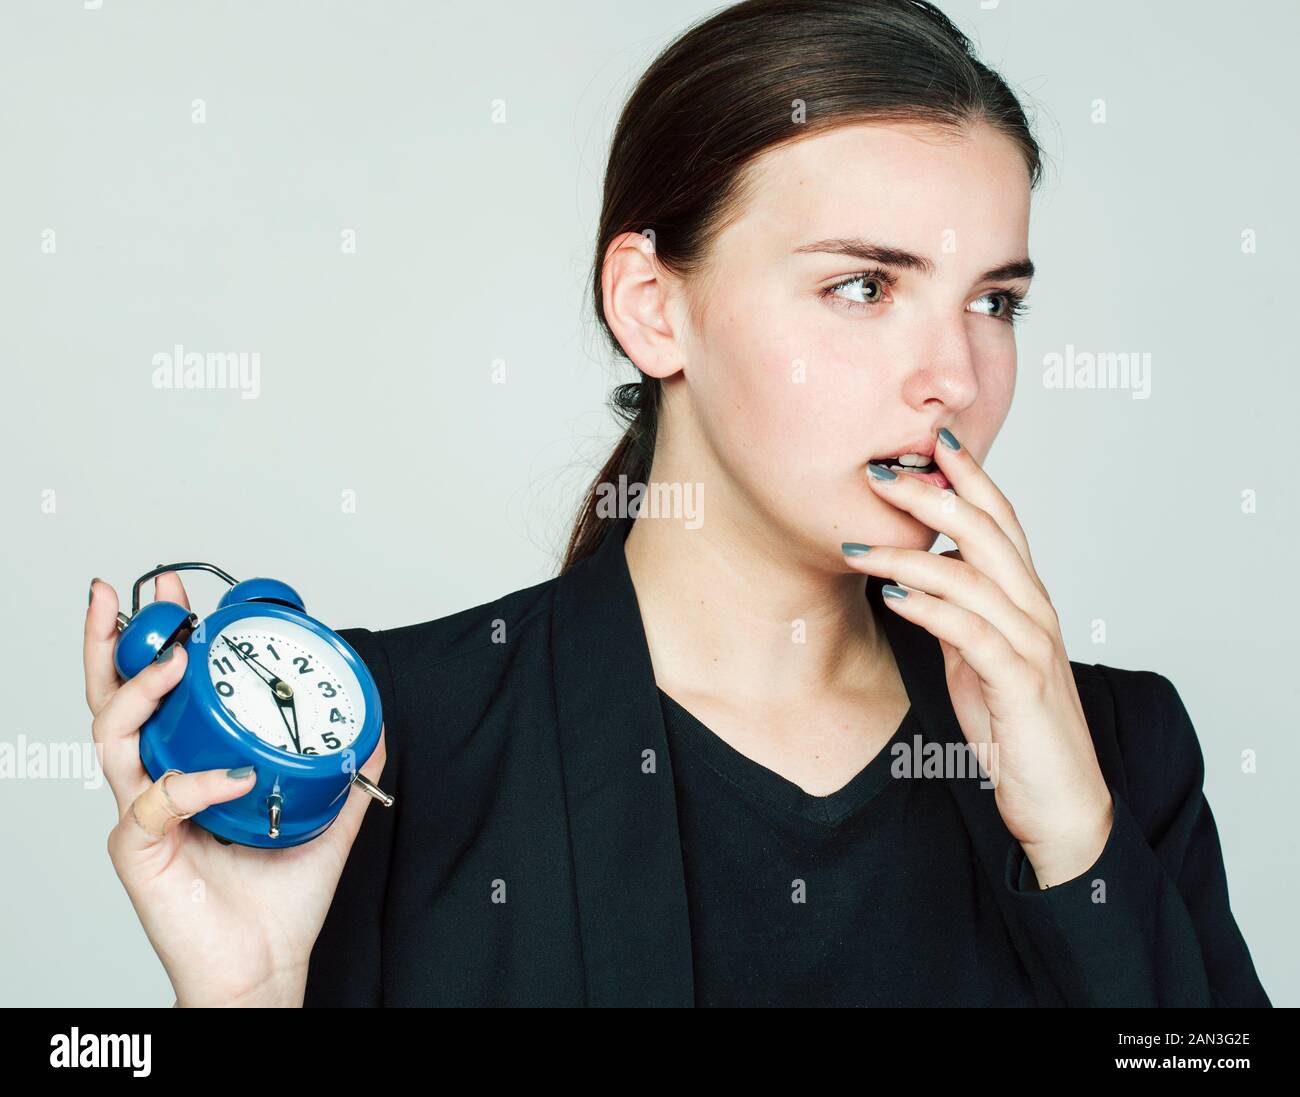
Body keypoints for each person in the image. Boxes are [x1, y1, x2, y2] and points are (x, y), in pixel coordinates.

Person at [84, 0, 1270, 1007]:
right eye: (864, 285)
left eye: (994, 302)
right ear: (653, 306)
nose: (955, 377)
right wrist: (246, 1004)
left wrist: (1080, 854)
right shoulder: (389, 751)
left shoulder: (1114, 753)